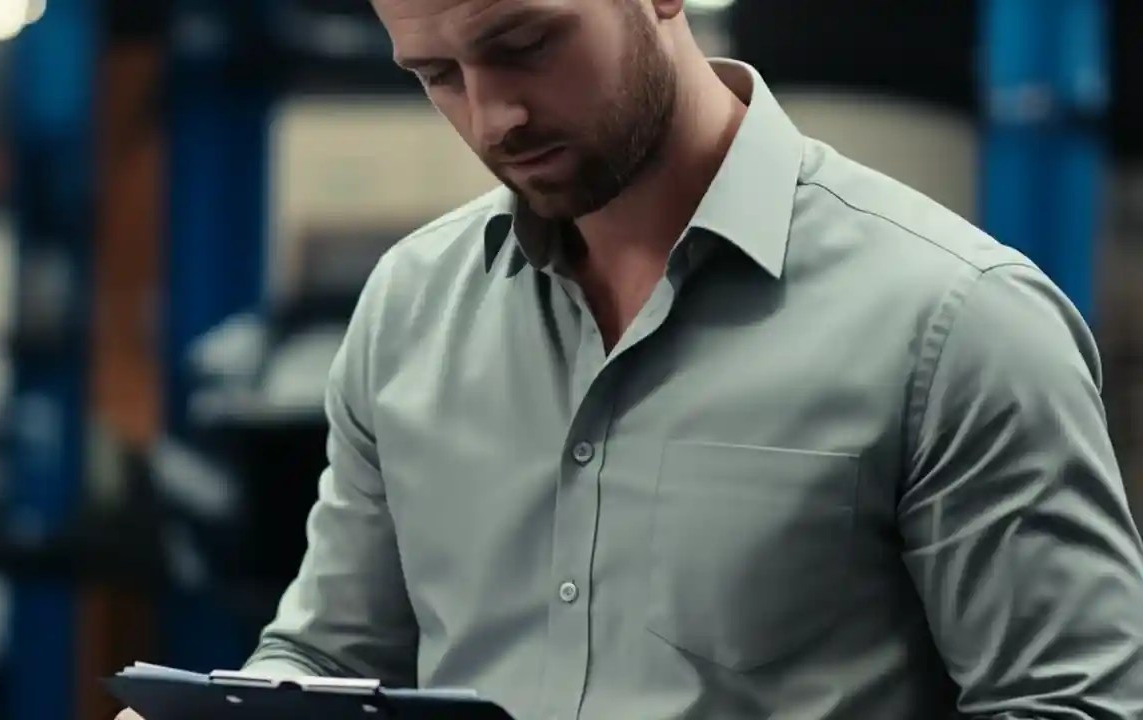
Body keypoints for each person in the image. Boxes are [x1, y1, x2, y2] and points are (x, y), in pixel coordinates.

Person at [119, 0, 1143, 717]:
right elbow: (332, 652)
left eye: (521, 43)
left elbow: (1066, 706)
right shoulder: (408, 310)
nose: (490, 116)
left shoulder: (956, 321)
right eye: (436, 76)